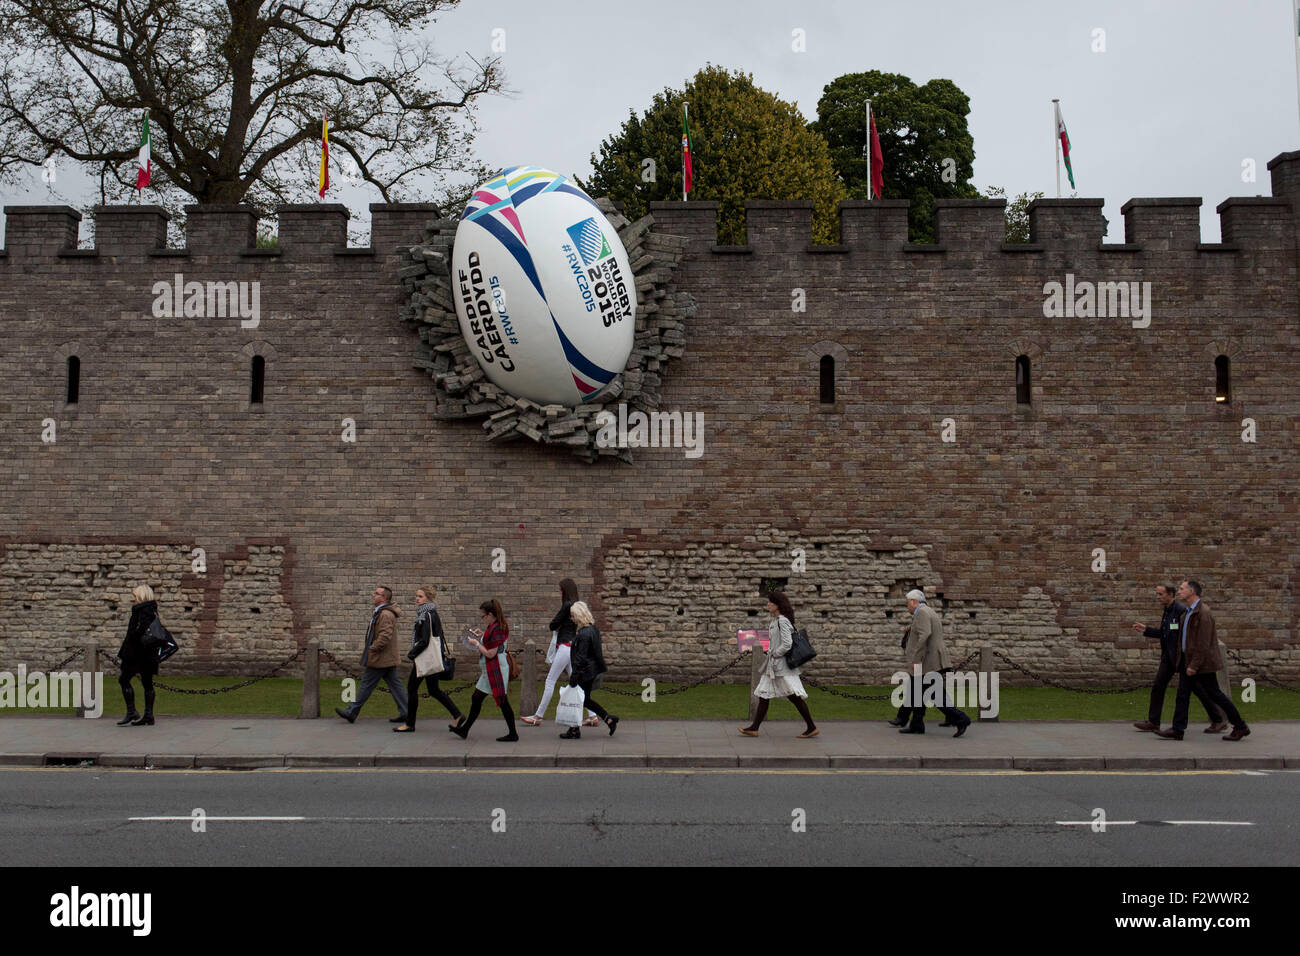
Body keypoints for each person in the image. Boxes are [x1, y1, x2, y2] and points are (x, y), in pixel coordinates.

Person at [1156, 580, 1250, 741]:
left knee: (1215, 694)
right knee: (1182, 695)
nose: (1178, 592)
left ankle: (1240, 726)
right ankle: (1178, 730)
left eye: (1182, 589)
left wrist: (1194, 665)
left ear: (1192, 591)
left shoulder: (1203, 613)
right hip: (1188, 660)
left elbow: (1203, 643)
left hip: (1201, 664)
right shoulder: (1187, 613)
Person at [1131, 583, 1225, 733]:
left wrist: (1191, 662)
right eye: (1157, 594)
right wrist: (1146, 630)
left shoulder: (1182, 611)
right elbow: (1165, 633)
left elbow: (1186, 637)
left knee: (1197, 689)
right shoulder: (1167, 611)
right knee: (1158, 686)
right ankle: (1154, 722)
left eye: (1161, 594)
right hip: (1169, 657)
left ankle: (1218, 719)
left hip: (1181, 658)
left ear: (1170, 595)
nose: (1158, 597)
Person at [739, 591, 817, 738]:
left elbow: (787, 644)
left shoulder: (782, 621)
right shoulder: (776, 621)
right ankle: (754, 728)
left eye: (771, 602)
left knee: (794, 696)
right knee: (764, 694)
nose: (768, 604)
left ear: (778, 605)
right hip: (774, 666)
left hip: (781, 666)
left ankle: (811, 727)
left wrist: (775, 653)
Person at [521, 578, 598, 728]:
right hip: (572, 646)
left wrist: (559, 624)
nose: (559, 591)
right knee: (576, 683)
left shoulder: (567, 605)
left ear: (565, 590)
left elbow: (552, 625)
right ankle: (593, 715)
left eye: (560, 589)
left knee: (550, 681)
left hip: (564, 646)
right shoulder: (576, 605)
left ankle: (538, 716)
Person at [900, 589, 971, 737]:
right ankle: (916, 724)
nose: (907, 606)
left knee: (934, 694)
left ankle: (961, 719)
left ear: (914, 601)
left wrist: (916, 659)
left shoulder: (922, 613)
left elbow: (925, 634)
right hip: (932, 659)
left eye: (908, 603)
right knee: (918, 692)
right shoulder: (929, 611)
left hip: (928, 661)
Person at [335, 585, 409, 723]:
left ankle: (351, 711)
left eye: (377, 593)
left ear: (384, 598)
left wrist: (372, 648)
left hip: (380, 657)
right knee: (395, 685)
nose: (373, 595)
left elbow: (385, 636)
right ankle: (407, 712)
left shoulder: (385, 614)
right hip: (386, 657)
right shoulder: (381, 612)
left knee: (366, 684)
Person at [393, 587, 463, 733]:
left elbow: (424, 641)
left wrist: (412, 654)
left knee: (412, 689)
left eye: (420, 596)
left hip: (424, 658)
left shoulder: (425, 615)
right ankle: (457, 715)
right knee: (434, 690)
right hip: (430, 657)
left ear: (428, 598)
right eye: (416, 596)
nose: (417, 599)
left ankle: (409, 724)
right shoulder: (432, 613)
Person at [450, 599, 518, 742]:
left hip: (496, 670)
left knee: (501, 701)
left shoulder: (497, 628)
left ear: (490, 614)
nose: (482, 619)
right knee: (478, 698)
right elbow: (490, 642)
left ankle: (513, 734)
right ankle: (465, 730)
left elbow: (490, 653)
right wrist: (481, 636)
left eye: (483, 616)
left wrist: (476, 643)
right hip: (492, 669)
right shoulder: (495, 626)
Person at [561, 601, 619, 739]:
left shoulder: (584, 634)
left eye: (573, 615)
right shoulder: (593, 629)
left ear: (579, 616)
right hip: (591, 671)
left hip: (585, 672)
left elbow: (581, 658)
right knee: (584, 700)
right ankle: (608, 719)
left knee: (579, 700)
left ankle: (574, 730)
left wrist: (574, 678)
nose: (571, 619)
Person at [117, 584, 161, 726]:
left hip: (138, 654)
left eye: (135, 596)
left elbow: (140, 630)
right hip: (146, 653)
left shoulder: (144, 610)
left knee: (124, 679)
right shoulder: (151, 609)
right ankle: (148, 715)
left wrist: (132, 639)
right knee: (147, 682)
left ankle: (133, 712)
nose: (134, 599)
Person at [888, 624, 914, 728]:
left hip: (923, 665)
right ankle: (902, 718)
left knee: (934, 693)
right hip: (918, 665)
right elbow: (904, 645)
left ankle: (957, 718)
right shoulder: (914, 627)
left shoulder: (922, 625)